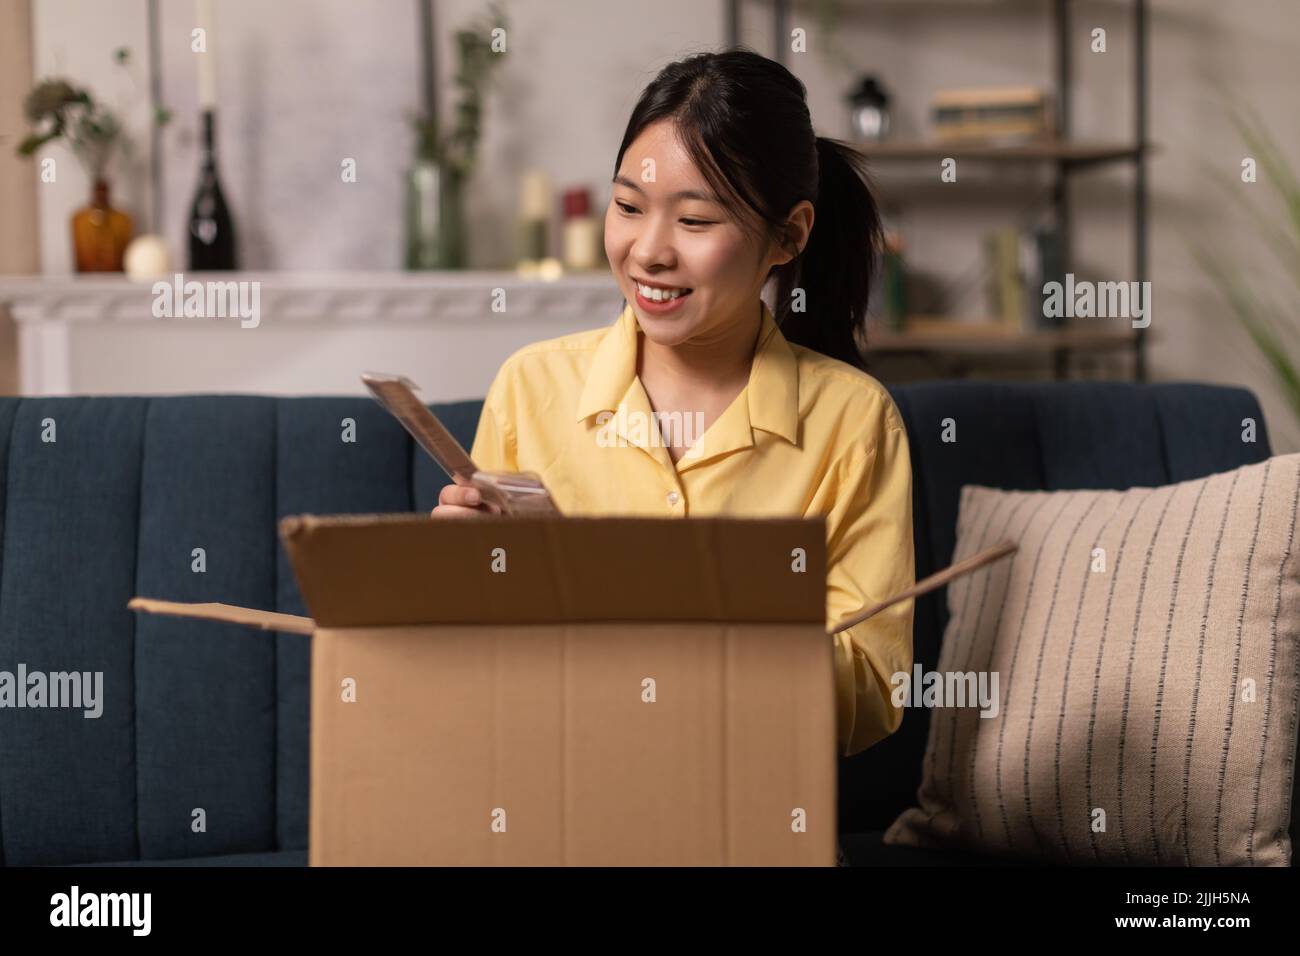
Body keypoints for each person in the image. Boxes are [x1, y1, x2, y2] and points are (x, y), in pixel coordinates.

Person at [433, 48, 914, 826]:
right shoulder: (531, 387)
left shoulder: (854, 422)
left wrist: (691, 623)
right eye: (628, 206)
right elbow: (485, 673)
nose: (649, 250)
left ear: (788, 236)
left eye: (694, 220)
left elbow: (874, 697)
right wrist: (459, 581)